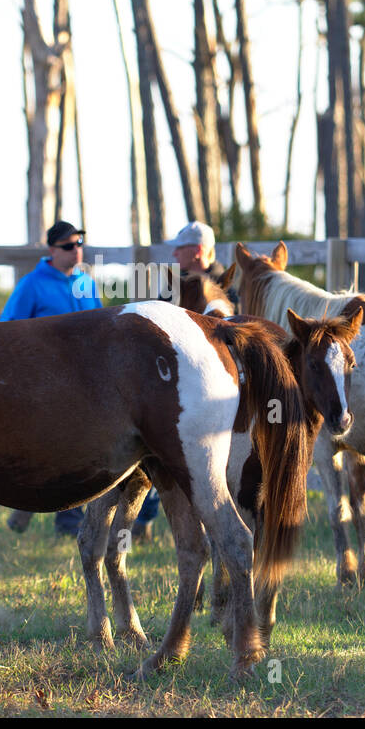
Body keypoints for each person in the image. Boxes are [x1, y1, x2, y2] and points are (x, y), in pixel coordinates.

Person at [1, 220, 101, 537]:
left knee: (76, 447)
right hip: (45, 383)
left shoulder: (87, 283)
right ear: (52, 250)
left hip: (85, 380)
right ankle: (63, 518)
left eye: (79, 244)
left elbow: (100, 327)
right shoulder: (31, 285)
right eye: (68, 246)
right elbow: (8, 330)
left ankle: (31, 508)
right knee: (64, 447)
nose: (76, 251)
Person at [133, 221, 231, 542]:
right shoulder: (173, 287)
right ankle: (144, 519)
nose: (173, 253)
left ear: (198, 251)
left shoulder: (226, 285)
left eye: (180, 248)